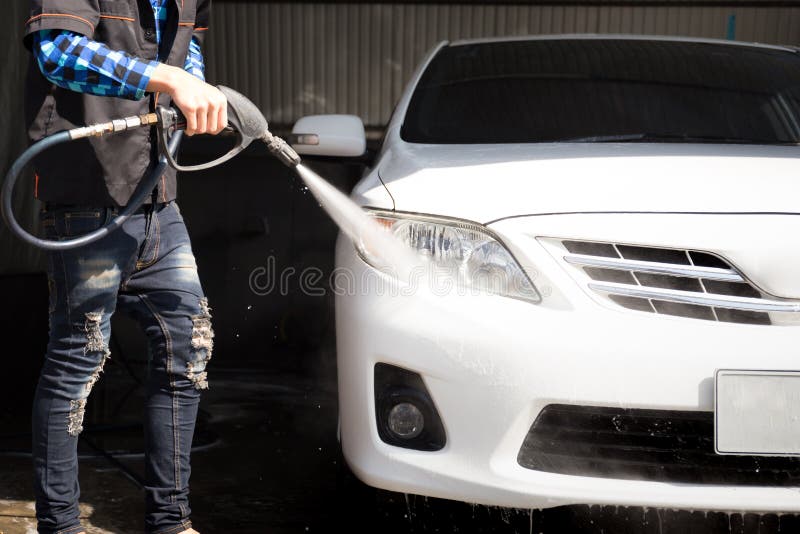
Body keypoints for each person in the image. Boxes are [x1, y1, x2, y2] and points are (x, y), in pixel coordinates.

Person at [23, 0, 227, 532]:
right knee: (78, 361)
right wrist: (168, 81)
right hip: (87, 196)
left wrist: (193, 84)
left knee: (188, 346)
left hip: (159, 195)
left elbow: (190, 44)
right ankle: (60, 525)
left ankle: (171, 522)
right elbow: (57, 51)